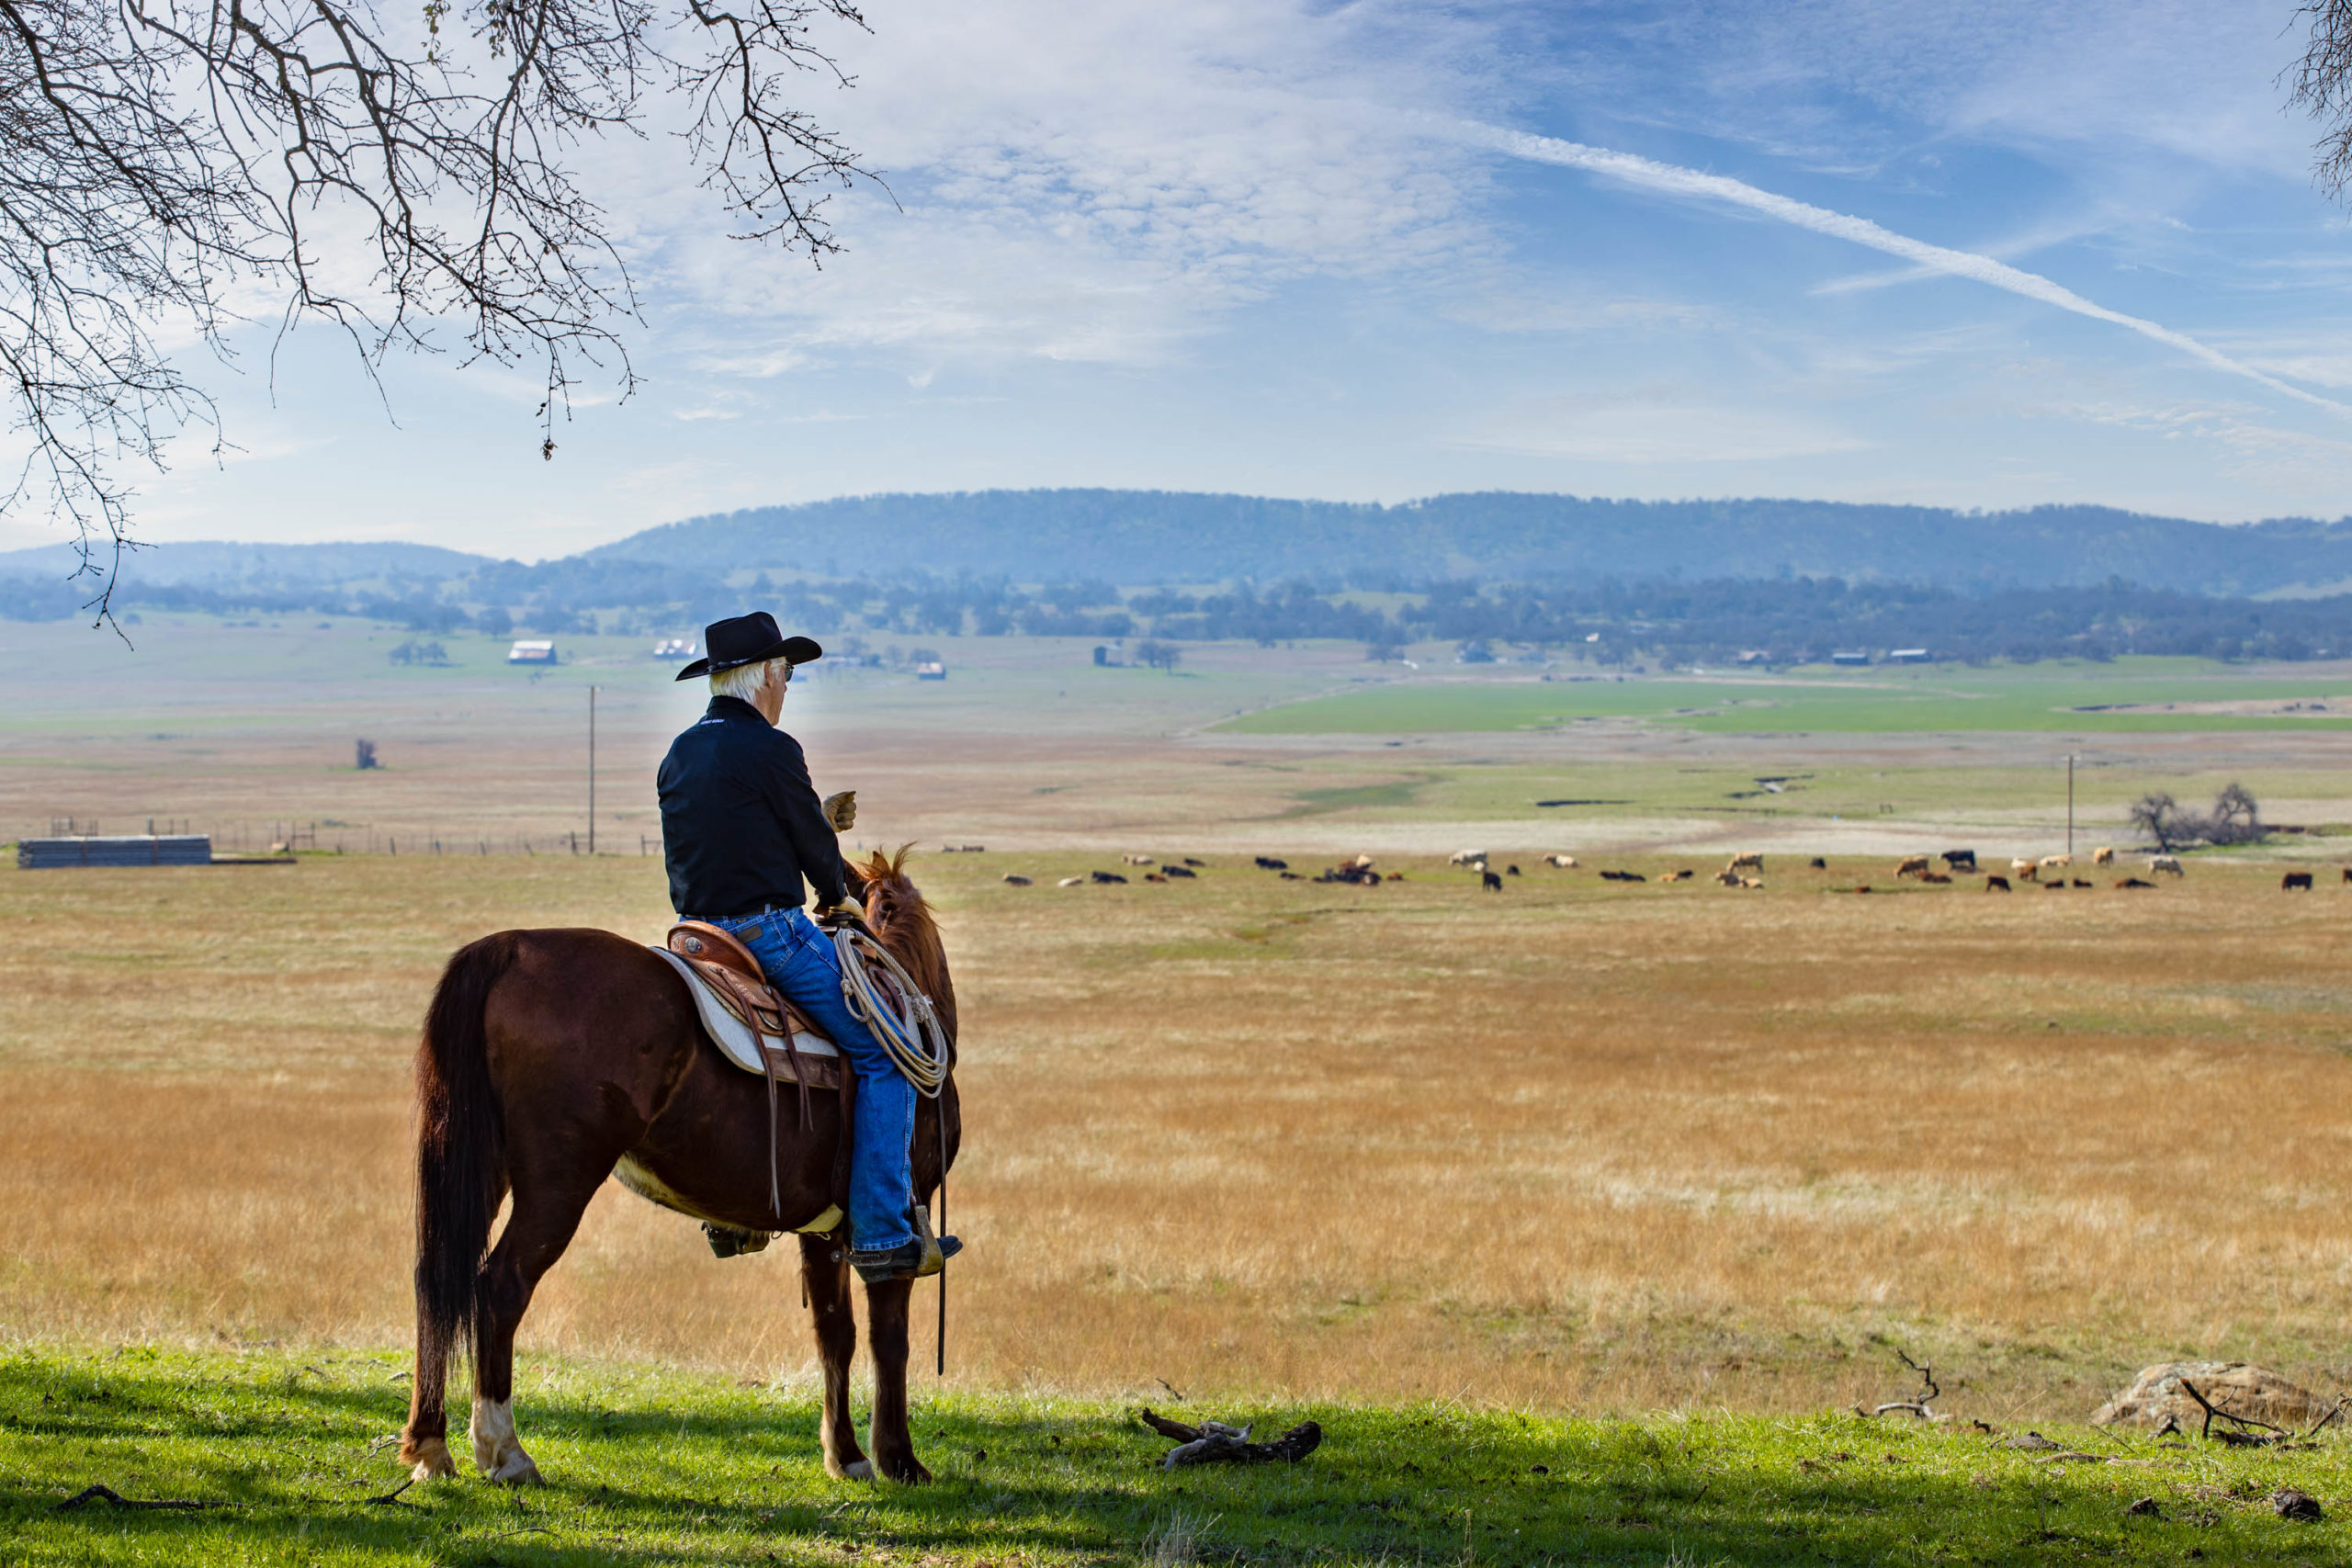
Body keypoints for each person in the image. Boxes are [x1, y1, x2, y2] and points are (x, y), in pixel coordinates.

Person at [657, 611, 961, 1283]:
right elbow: (810, 850)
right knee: (888, 1052)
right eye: (787, 673)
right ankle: (882, 1230)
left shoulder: (678, 752)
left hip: (695, 937)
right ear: (765, 675)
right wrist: (842, 895)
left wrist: (811, 815)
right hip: (769, 935)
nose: (789, 686)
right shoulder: (773, 748)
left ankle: (731, 1207)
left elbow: (734, 835)